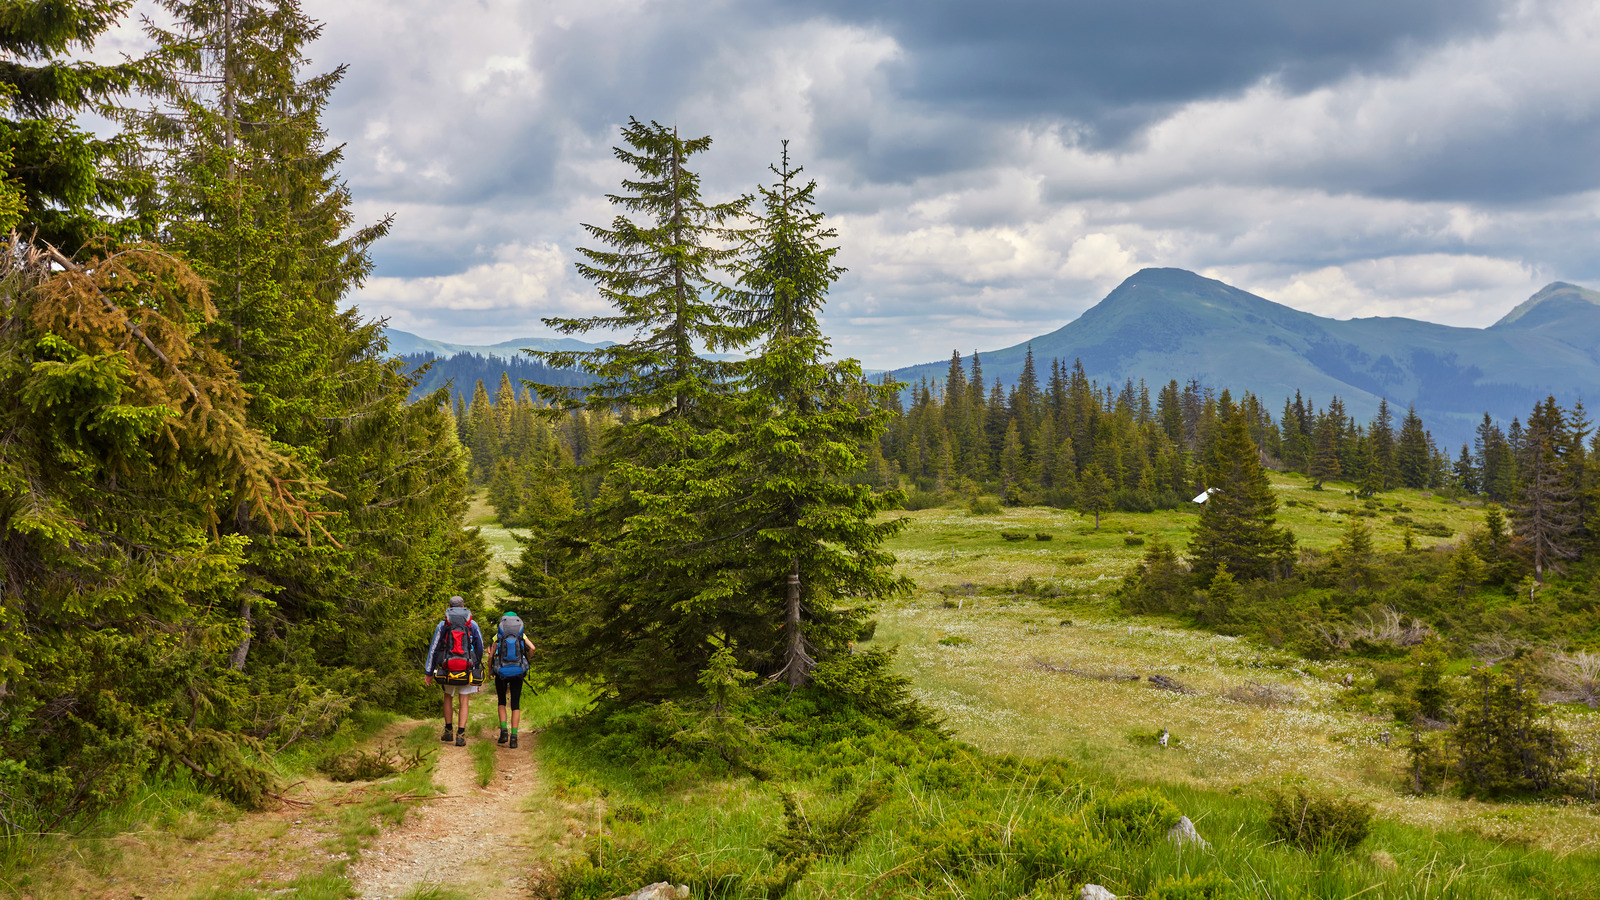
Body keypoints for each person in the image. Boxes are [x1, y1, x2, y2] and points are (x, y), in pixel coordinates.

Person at [424, 595, 484, 746]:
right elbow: (480, 646)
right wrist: (475, 664)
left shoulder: (444, 624)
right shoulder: (472, 624)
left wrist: (429, 672)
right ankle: (461, 735)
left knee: (448, 696)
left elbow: (434, 648)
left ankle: (448, 731)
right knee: (464, 700)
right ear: (463, 606)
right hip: (467, 666)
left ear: (449, 607)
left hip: (447, 666)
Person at [485, 610, 536, 749]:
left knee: (501, 701)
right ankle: (514, 738)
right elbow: (532, 648)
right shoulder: (521, 634)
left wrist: (490, 670)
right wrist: (526, 661)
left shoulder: (498, 635)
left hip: (501, 671)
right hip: (518, 671)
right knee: (515, 704)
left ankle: (504, 733)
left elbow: (490, 656)